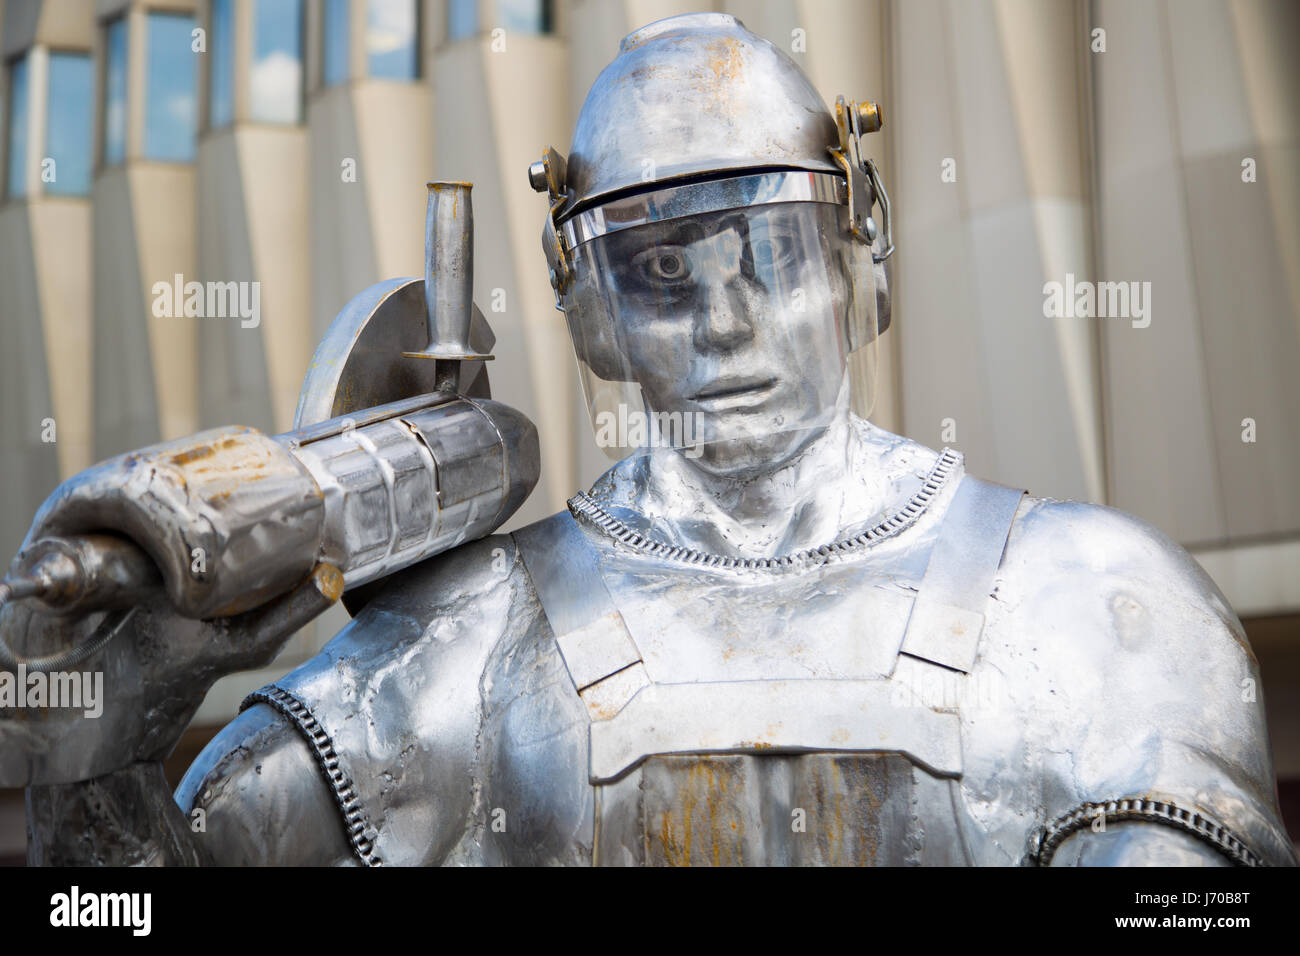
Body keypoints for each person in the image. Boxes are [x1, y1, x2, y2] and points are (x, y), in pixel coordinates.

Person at [22, 13, 1296, 867]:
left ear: (859, 250)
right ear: (592, 315)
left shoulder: (1098, 606)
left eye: (769, 251)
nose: (726, 325)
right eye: (664, 269)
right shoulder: (465, 639)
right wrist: (106, 735)